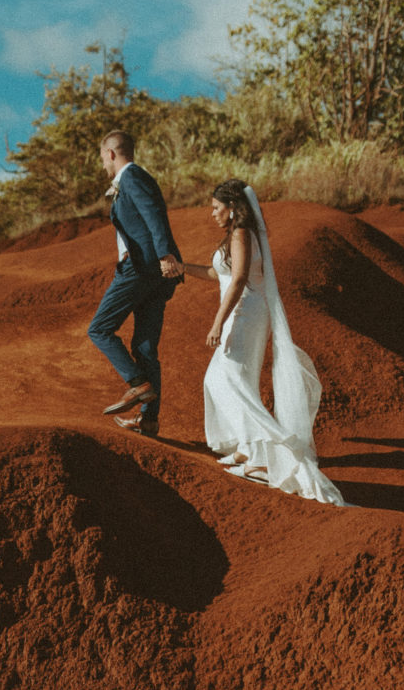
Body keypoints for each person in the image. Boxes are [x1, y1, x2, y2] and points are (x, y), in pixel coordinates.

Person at [193, 179, 345, 505]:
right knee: (235, 381)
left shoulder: (241, 234)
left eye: (216, 207)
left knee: (225, 379)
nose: (212, 213)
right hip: (243, 312)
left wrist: (218, 323)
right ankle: (249, 449)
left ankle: (266, 457)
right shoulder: (236, 236)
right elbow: (217, 274)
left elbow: (238, 280)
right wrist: (183, 270)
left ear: (232, 208)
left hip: (244, 313)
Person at [87, 130, 184, 437]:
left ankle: (136, 384)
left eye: (103, 157)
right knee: (145, 347)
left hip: (141, 268)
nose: (103, 163)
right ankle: (149, 420)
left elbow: (154, 214)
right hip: (155, 274)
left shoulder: (131, 178)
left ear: (111, 154)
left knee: (99, 329)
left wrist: (165, 253)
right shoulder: (130, 181)